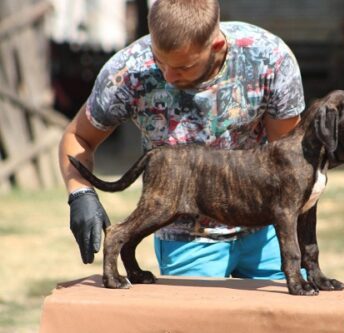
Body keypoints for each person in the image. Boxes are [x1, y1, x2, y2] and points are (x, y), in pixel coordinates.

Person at [58, 0, 306, 279]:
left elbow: (287, 160)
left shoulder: (269, 59)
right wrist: (80, 193)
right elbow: (78, 136)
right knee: (200, 322)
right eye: (159, 60)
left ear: (216, 48)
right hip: (187, 241)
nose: (168, 75)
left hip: (265, 234)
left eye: (183, 67)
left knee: (286, 319)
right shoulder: (129, 69)